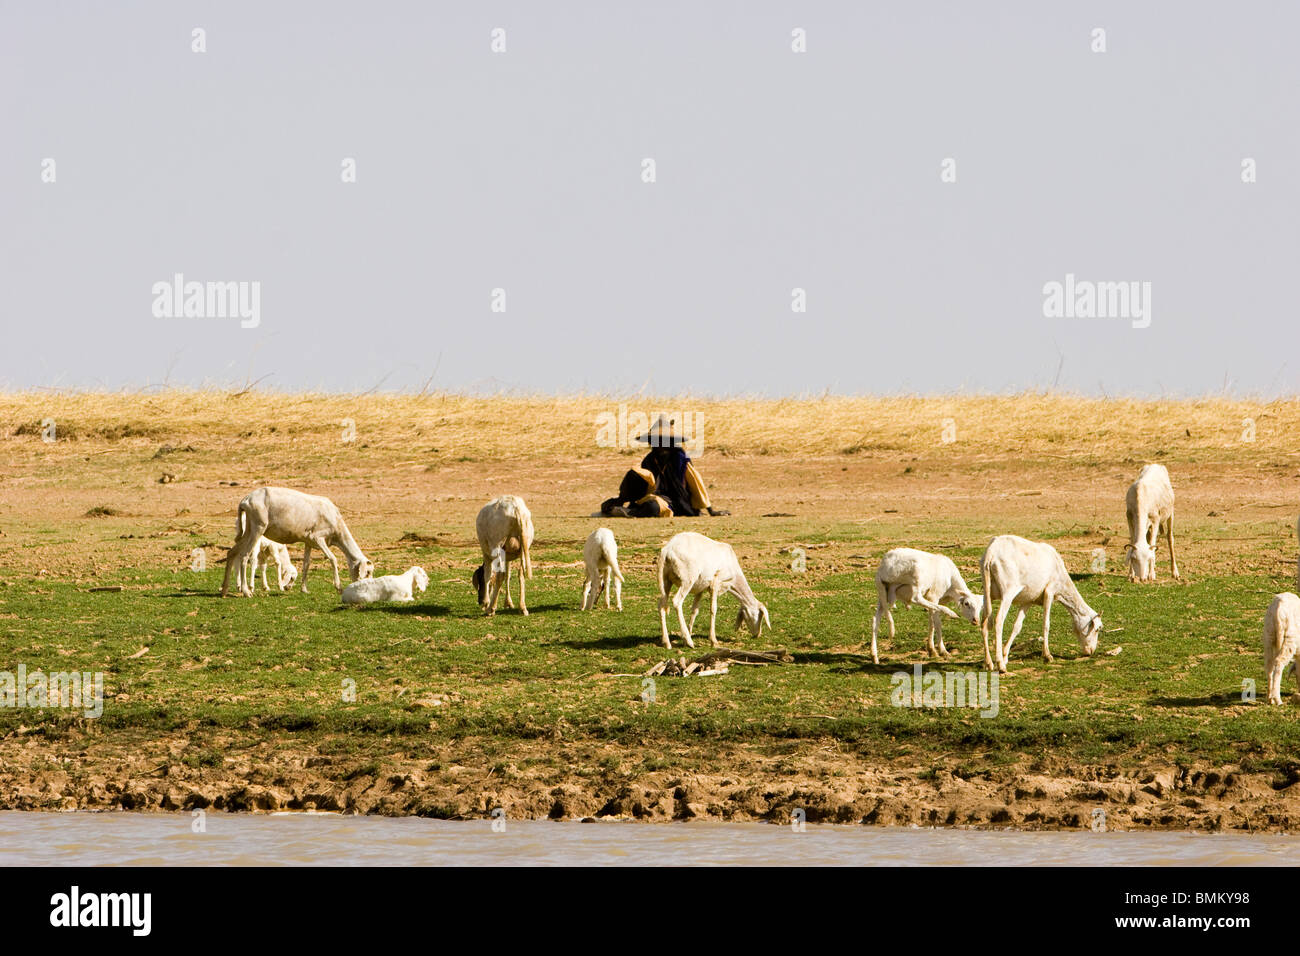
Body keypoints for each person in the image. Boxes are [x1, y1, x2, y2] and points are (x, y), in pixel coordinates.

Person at [600, 415, 729, 517]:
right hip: (651, 496)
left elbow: (696, 484)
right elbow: (643, 483)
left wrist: (711, 511)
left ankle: (629, 513)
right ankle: (620, 505)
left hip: (675, 504)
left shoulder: (680, 459)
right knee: (634, 474)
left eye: (663, 441)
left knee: (653, 507)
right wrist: (622, 498)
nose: (659, 445)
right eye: (656, 441)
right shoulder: (649, 459)